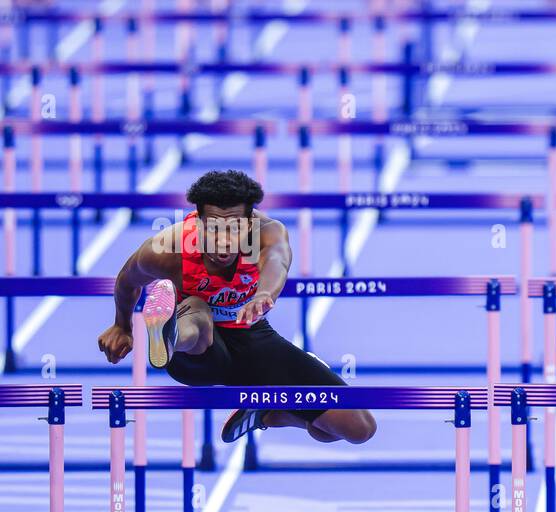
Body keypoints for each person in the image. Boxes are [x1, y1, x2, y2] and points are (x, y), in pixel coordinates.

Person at [96, 169, 377, 445]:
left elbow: (277, 261)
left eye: (233, 229)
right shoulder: (168, 249)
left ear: (249, 222)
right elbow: (127, 280)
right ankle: (166, 336)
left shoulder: (267, 233)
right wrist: (122, 326)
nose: (222, 240)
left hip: (253, 338)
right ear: (198, 221)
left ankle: (269, 415)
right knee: (198, 311)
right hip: (197, 355)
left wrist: (264, 293)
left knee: (357, 428)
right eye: (212, 228)